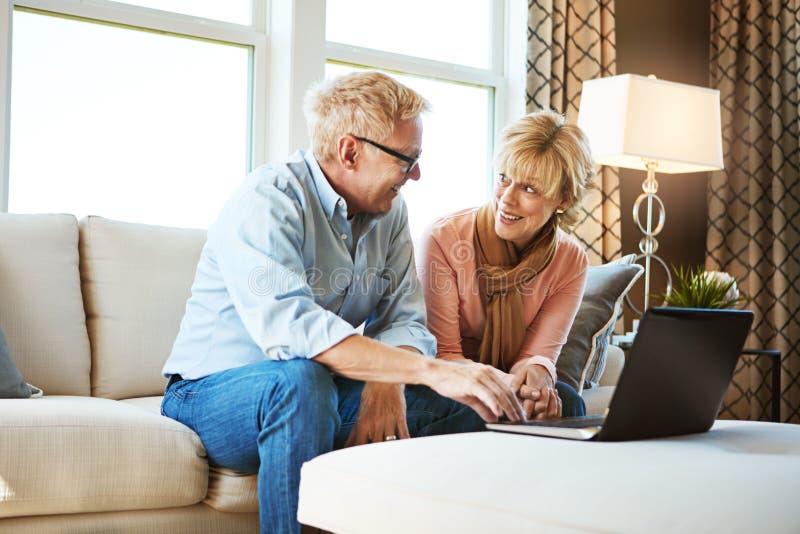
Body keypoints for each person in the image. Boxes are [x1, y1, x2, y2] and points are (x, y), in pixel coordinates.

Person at [160, 71, 527, 534]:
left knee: (477, 405)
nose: (416, 174)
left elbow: (406, 319)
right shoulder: (268, 198)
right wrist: (426, 370)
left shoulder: (389, 212)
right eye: (407, 159)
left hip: (319, 391)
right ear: (350, 152)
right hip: (209, 394)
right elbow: (295, 331)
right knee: (300, 380)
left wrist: (386, 381)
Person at [420, 110, 593, 420]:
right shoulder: (444, 238)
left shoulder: (571, 260)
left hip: (504, 382)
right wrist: (510, 386)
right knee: (483, 412)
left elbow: (535, 356)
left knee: (567, 402)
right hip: (442, 381)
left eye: (529, 189)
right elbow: (445, 355)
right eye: (504, 178)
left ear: (564, 199)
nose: (506, 199)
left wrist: (538, 376)